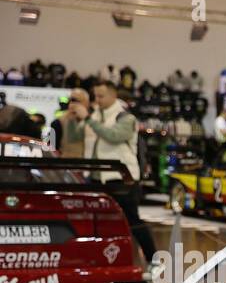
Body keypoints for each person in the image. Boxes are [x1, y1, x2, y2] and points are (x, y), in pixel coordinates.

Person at [65, 80, 157, 264]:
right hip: (95, 178)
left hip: (122, 178)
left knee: (132, 220)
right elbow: (75, 136)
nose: (97, 100)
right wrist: (73, 119)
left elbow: (113, 136)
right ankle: (100, 260)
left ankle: (153, 258)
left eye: (101, 96)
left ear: (113, 96)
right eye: (95, 96)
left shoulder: (126, 118)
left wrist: (88, 119)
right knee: (95, 222)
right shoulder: (94, 115)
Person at [53, 88, 90, 156]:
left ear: (87, 103)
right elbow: (52, 149)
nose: (73, 104)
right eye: (70, 101)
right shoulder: (58, 123)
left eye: (76, 101)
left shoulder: (94, 120)